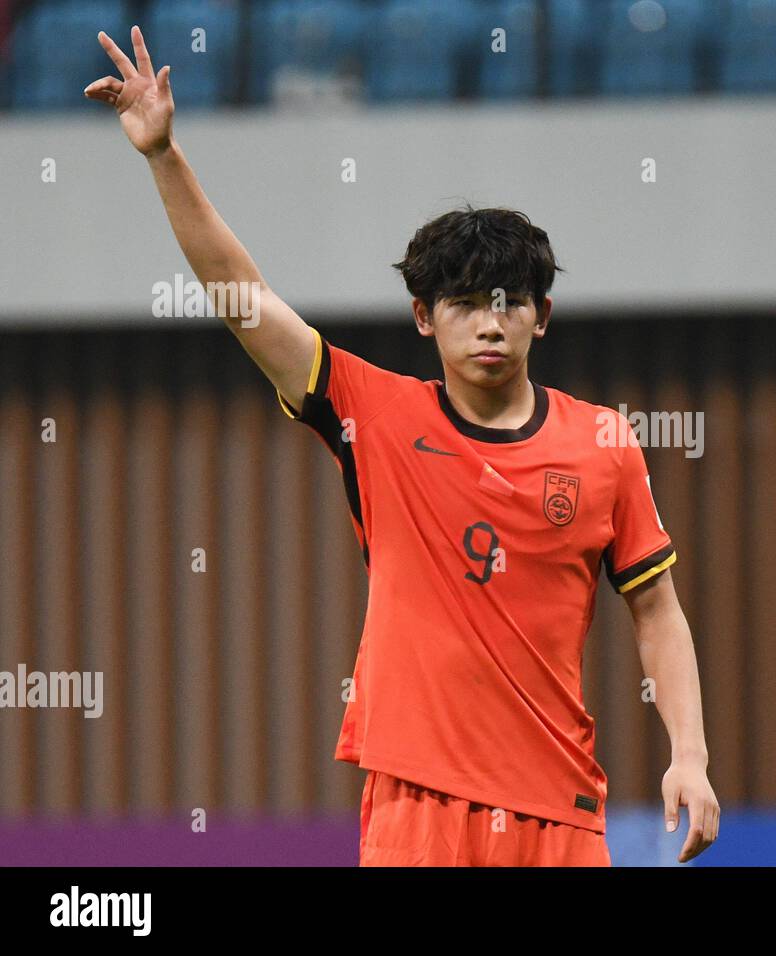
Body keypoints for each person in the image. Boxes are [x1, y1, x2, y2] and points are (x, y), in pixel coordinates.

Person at [85, 25, 719, 866]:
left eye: (510, 301)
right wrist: (163, 155)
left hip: (556, 813)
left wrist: (692, 757)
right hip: (416, 805)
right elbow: (245, 301)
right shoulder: (372, 415)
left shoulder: (604, 442)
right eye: (463, 303)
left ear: (542, 314)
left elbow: (656, 609)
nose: (490, 322)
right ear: (424, 317)